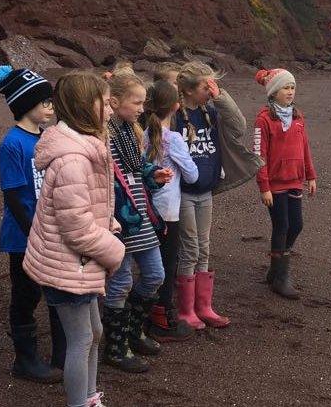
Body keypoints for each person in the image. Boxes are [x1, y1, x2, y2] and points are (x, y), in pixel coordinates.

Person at [23, 72, 125, 407]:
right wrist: (114, 250)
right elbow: (76, 228)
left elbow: (85, 207)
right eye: (105, 103)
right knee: (81, 339)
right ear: (85, 106)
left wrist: (107, 221)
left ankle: (89, 397)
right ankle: (79, 403)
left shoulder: (85, 148)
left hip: (78, 264)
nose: (110, 110)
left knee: (93, 333)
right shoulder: (74, 159)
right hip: (67, 267)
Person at [171, 61, 262, 329]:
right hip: (185, 193)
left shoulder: (211, 111)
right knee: (190, 249)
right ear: (187, 90)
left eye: (213, 86)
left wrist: (221, 96)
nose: (209, 91)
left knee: (205, 247)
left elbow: (239, 126)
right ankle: (186, 309)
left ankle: (204, 306)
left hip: (206, 191)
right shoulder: (177, 116)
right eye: (204, 86)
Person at [0, 65, 66, 383]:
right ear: (26, 104)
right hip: (23, 237)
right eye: (45, 102)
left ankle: (63, 354)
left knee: (55, 291)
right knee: (25, 295)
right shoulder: (12, 144)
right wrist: (34, 231)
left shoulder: (48, 137)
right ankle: (25, 359)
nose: (51, 107)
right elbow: (13, 196)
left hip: (51, 231)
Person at [102, 65, 172, 373]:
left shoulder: (132, 132)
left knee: (155, 274)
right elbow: (108, 179)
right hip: (120, 218)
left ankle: (133, 331)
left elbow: (138, 168)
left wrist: (154, 176)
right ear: (115, 101)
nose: (141, 109)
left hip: (140, 213)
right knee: (120, 282)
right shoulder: (103, 135)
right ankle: (116, 347)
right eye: (136, 103)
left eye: (143, 103)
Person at [253, 68, 317, 299]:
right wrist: (264, 186)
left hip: (294, 180)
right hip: (275, 184)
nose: (290, 92)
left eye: (292, 87)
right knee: (281, 226)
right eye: (285, 88)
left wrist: (311, 176)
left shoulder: (298, 117)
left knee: (296, 225)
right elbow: (259, 155)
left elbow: (305, 148)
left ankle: (276, 264)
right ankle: (280, 277)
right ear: (273, 92)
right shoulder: (264, 119)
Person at [143, 80, 197, 342]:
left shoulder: (144, 133)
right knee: (167, 263)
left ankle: (147, 313)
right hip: (169, 210)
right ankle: (163, 318)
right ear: (176, 106)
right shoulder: (173, 138)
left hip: (148, 206)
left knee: (150, 263)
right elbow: (192, 174)